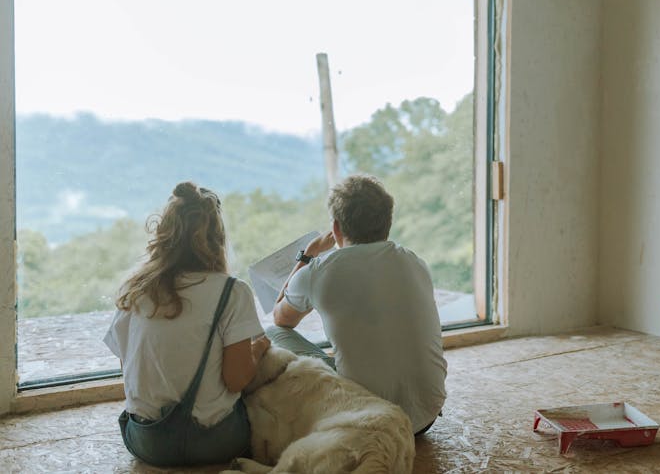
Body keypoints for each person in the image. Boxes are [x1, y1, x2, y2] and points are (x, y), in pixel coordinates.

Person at [103, 182, 270, 467]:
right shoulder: (232, 291)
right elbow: (237, 379)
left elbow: (128, 369)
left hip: (147, 442)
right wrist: (258, 349)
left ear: (164, 234)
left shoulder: (136, 289)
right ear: (218, 238)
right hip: (215, 444)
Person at [268, 174, 447, 436]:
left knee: (273, 335)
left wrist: (307, 254)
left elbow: (280, 318)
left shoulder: (318, 271)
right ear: (387, 222)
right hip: (427, 416)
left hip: (369, 421)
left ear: (336, 228)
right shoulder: (414, 261)